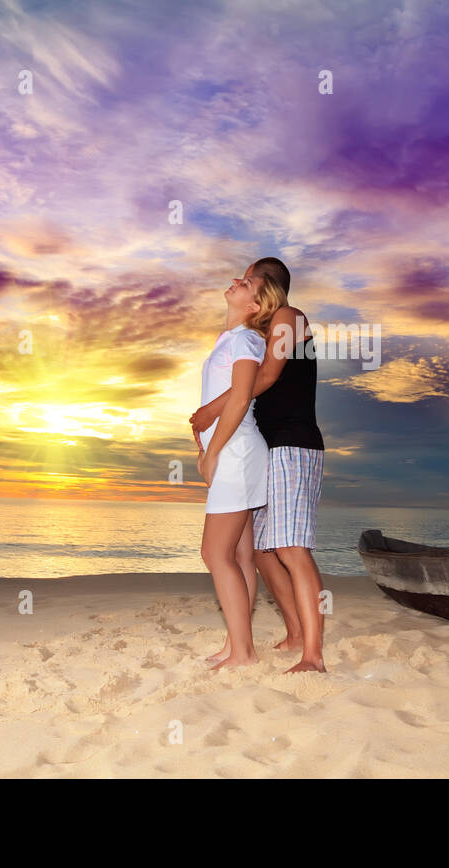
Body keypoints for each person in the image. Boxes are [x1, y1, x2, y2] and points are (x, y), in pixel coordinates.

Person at [191, 257, 327, 673]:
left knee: (290, 548)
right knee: (264, 553)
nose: (240, 279)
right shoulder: (255, 332)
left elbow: (264, 378)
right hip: (268, 446)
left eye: (249, 276)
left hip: (293, 442)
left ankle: (313, 656)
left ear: (267, 283)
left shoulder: (290, 316)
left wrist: (210, 411)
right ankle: (296, 632)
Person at [194, 270, 286, 669]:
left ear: (253, 307)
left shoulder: (247, 339)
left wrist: (212, 451)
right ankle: (237, 644)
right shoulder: (230, 340)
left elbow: (240, 398)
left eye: (246, 284)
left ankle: (244, 653)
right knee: (241, 555)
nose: (236, 279)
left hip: (237, 454)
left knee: (214, 553)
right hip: (236, 453)